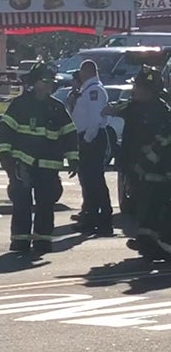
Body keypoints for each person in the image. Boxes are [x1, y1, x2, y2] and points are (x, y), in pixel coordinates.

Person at [0, 62, 79, 254]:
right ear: (35, 82)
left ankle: (42, 241)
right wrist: (6, 156)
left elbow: (70, 133)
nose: (49, 85)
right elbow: (5, 131)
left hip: (48, 167)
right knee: (21, 203)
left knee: (46, 205)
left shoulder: (56, 108)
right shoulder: (20, 105)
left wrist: (73, 158)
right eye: (45, 81)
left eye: (51, 82)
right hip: (22, 165)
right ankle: (20, 241)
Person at [103, 65, 171, 261]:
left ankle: (160, 243)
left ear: (150, 91)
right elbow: (119, 108)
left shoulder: (161, 113)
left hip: (158, 171)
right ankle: (145, 240)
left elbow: (163, 144)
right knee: (143, 206)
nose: (135, 91)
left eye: (139, 87)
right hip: (137, 168)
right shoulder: (134, 107)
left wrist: (146, 161)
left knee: (157, 206)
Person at [69, 61, 113, 237]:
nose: (79, 75)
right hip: (87, 138)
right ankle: (90, 219)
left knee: (95, 181)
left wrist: (87, 140)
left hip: (92, 139)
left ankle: (104, 221)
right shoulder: (87, 90)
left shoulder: (94, 91)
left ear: (87, 71)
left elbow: (95, 120)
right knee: (87, 181)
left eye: (80, 71)